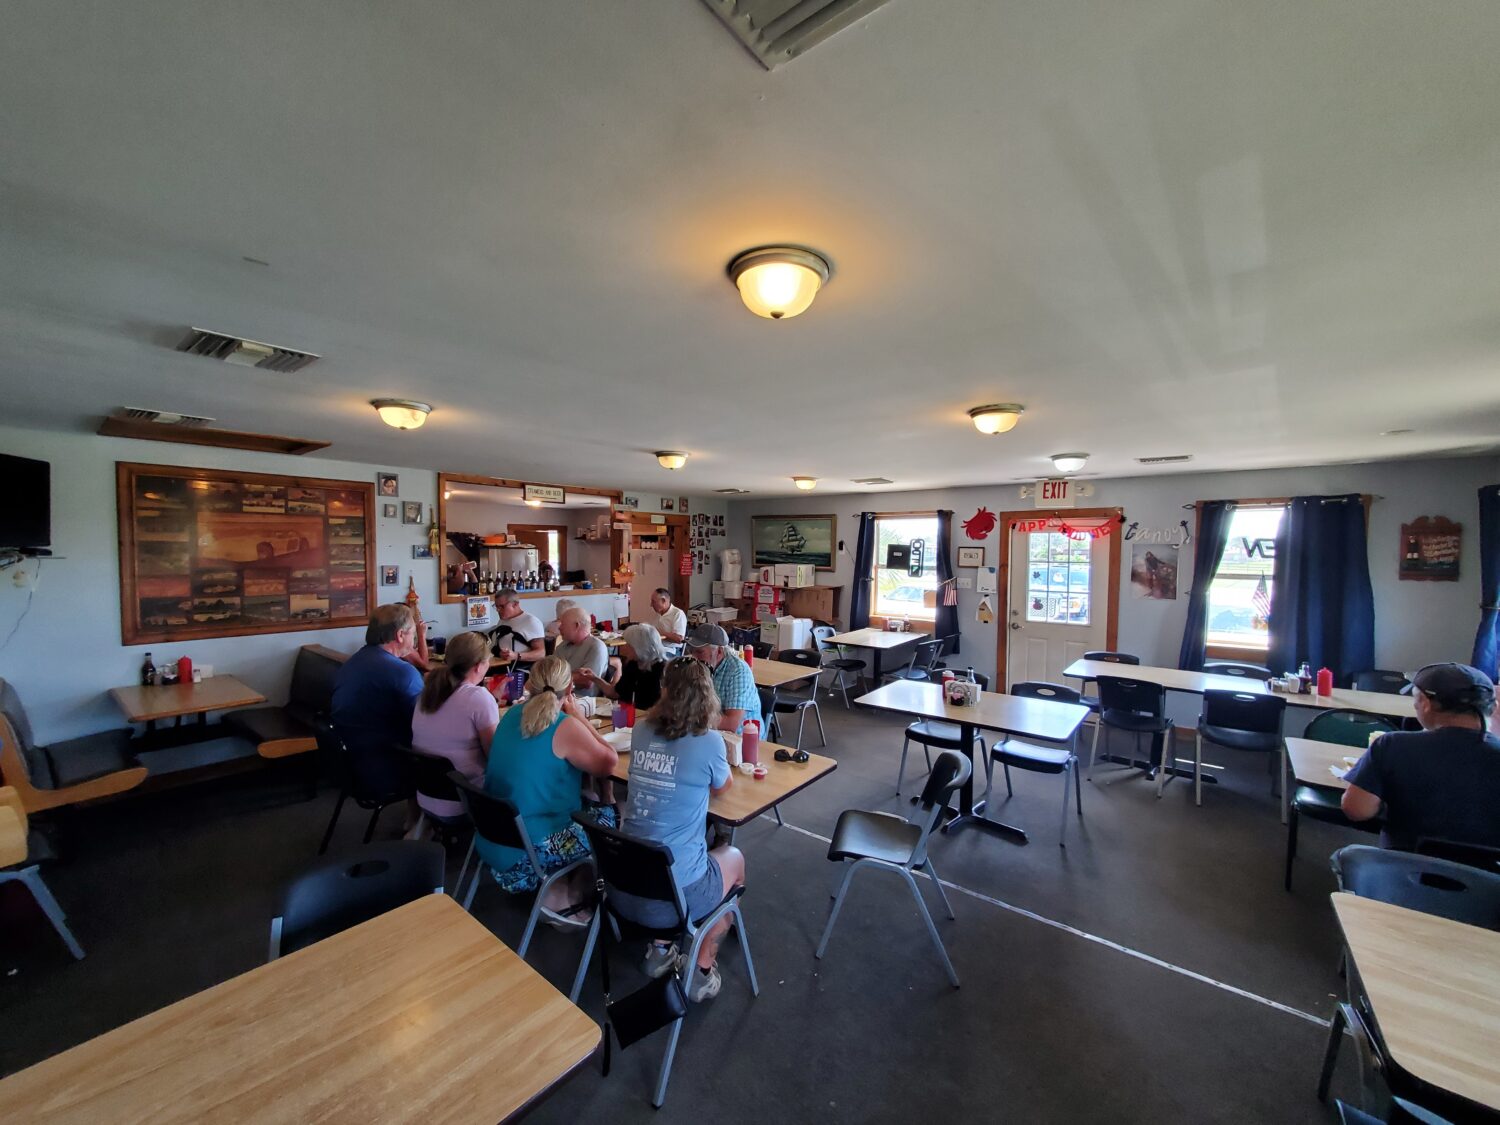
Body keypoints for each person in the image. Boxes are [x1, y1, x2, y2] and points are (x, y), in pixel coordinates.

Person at [614, 656, 744, 1002]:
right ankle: (702, 968)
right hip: (674, 892)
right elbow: (722, 787)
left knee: (661, 850)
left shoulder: (641, 729)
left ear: (664, 691)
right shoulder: (710, 741)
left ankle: (660, 950)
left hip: (623, 880)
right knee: (733, 857)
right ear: (707, 695)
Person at [479, 656, 619, 923]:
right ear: (569, 691)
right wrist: (578, 716)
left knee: (586, 800)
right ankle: (570, 897)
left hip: (494, 839)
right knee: (612, 817)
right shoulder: (564, 725)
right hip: (526, 856)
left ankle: (560, 884)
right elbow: (608, 761)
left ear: (531, 684)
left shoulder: (512, 714)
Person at [1342, 662, 1500, 851]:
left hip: (1403, 871)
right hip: (1484, 877)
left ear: (1425, 703)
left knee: (1349, 855)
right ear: (1493, 707)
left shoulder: (1392, 745)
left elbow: (1357, 810)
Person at [331, 604, 423, 801]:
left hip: (349, 763)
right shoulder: (402, 672)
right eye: (413, 633)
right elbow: (425, 722)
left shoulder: (353, 662)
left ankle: (414, 821)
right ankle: (431, 823)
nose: (414, 639)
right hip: (382, 766)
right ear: (400, 635)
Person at [411, 630, 499, 821]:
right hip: (463, 800)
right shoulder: (479, 697)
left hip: (426, 796)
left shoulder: (428, 692)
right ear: (478, 666)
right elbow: (494, 756)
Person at [686, 623, 762, 733]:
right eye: (692, 651)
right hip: (709, 731)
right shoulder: (700, 665)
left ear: (719, 652)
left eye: (699, 652)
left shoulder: (738, 671)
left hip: (741, 739)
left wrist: (688, 717)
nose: (693, 657)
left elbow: (731, 724)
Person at [584, 622, 667, 710]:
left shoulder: (663, 670)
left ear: (640, 647)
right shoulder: (633, 665)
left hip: (649, 718)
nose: (625, 647)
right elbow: (615, 693)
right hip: (630, 715)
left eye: (629, 644)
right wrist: (594, 678)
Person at [491, 587, 546, 665]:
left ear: (515, 604)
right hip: (501, 665)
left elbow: (541, 654)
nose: (498, 610)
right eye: (496, 607)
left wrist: (516, 656)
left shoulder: (531, 622)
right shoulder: (503, 621)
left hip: (521, 670)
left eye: (502, 606)